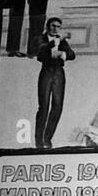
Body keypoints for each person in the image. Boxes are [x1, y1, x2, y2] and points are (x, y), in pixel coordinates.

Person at [35, 17, 74, 149]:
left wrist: (63, 54)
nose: (55, 28)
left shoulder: (61, 41)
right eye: (53, 26)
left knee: (57, 106)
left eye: (58, 26)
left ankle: (47, 138)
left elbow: (72, 55)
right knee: (44, 107)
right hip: (46, 71)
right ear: (47, 26)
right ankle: (39, 140)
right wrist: (56, 42)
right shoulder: (41, 38)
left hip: (58, 73)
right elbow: (41, 51)